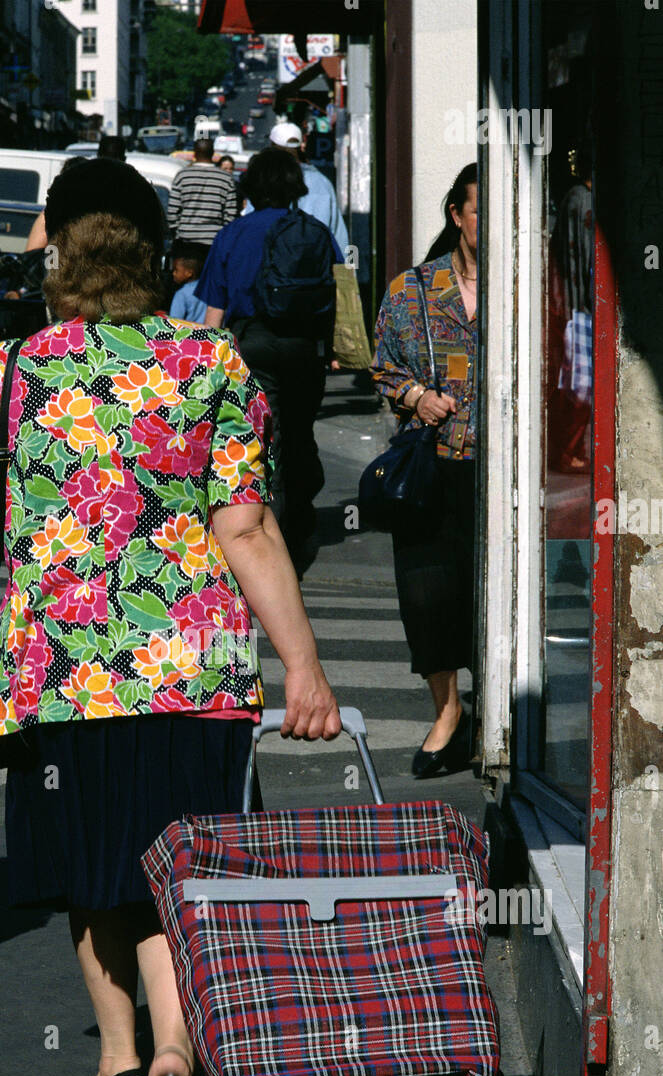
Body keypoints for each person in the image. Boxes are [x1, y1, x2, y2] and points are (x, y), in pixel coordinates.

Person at [0, 158, 340, 1076]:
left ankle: (121, 1060)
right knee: (181, 869)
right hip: (192, 670)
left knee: (93, 867)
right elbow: (243, 524)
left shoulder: (2, 374)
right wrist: (304, 669)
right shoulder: (210, 363)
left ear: (60, 264)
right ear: (157, 265)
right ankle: (176, 1051)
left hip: (56, 677)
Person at [370, 163, 478, 777]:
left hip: (498, 469)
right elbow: (384, 364)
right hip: (431, 465)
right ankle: (447, 711)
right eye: (475, 211)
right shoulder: (412, 289)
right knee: (427, 593)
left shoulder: (521, 286)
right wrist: (415, 397)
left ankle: (495, 708)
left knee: (487, 593)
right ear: (456, 217)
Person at [197, 145, 342, 570]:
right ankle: (299, 519)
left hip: (250, 347)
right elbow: (337, 296)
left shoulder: (232, 235)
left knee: (260, 441)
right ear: (294, 187)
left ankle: (265, 533)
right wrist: (334, 351)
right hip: (303, 347)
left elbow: (214, 314)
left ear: (250, 189)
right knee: (299, 432)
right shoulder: (314, 231)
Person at [268, 121, 348, 250]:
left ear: (271, 147)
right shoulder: (322, 182)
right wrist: (349, 269)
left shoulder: (265, 180)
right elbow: (339, 237)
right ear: (301, 147)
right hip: (314, 265)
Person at [166, 137, 237, 265]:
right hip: (214, 243)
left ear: (194, 154)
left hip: (186, 242)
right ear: (212, 154)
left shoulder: (182, 176)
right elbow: (230, 216)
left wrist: (178, 232)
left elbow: (172, 212)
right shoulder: (226, 179)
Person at [168, 240, 206, 323]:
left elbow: (174, 321)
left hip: (189, 333)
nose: (173, 273)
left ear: (189, 273)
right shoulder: (206, 288)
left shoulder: (181, 294)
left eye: (176, 270)